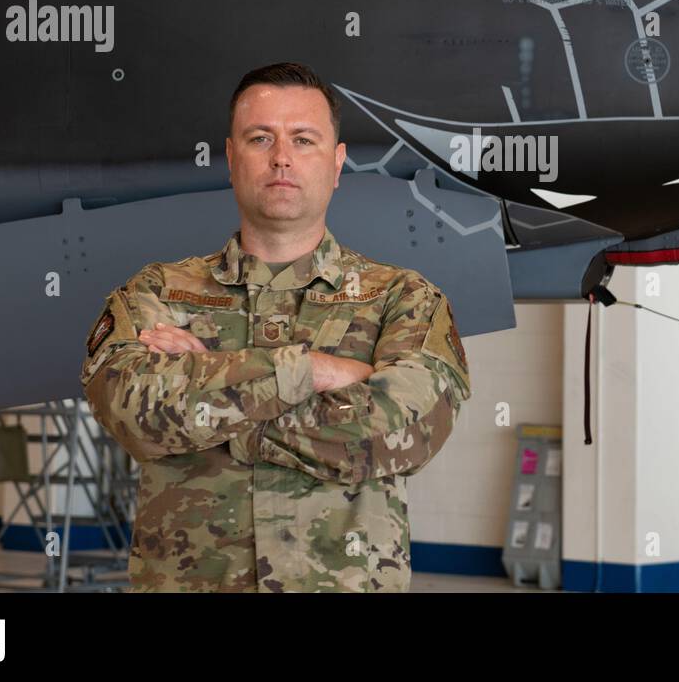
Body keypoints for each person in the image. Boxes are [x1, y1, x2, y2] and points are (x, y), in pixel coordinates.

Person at [81, 62, 471, 592]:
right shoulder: (157, 292)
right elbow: (130, 412)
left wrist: (207, 396)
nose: (281, 157)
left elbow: (406, 431)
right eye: (260, 137)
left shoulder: (403, 297)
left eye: (303, 139)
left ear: (336, 164)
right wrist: (309, 370)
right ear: (231, 158)